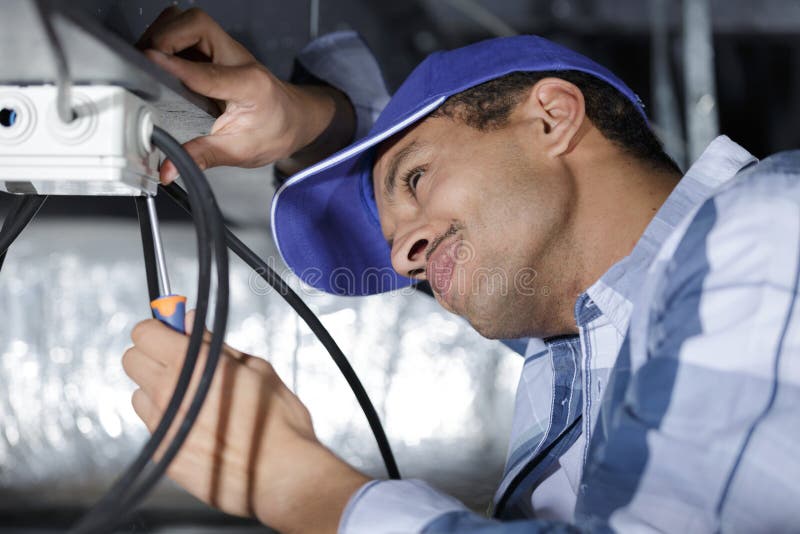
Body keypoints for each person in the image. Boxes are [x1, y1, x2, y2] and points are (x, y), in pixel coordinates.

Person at [122, 6, 800, 534]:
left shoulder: (767, 225)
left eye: (415, 178)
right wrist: (309, 123)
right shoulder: (603, 329)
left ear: (552, 118)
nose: (398, 257)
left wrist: (300, 488)